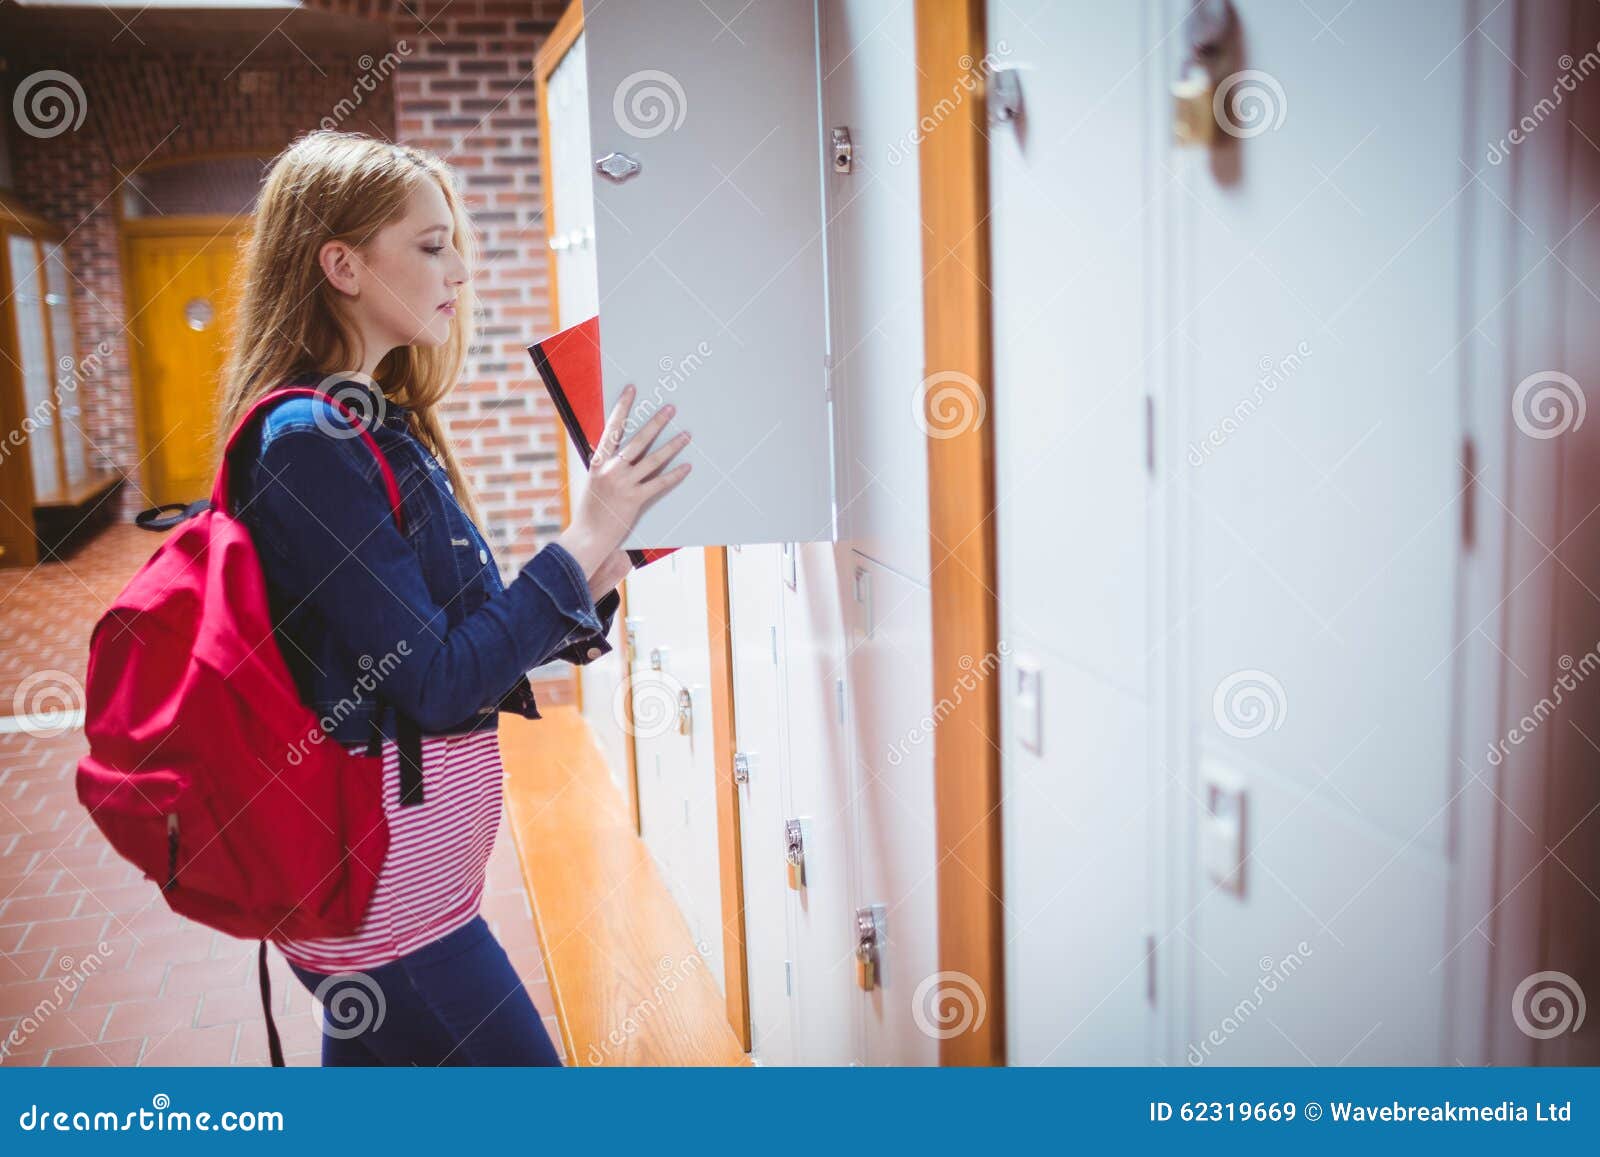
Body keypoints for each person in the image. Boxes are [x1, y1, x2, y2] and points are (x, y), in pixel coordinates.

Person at [211, 130, 692, 1065]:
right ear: (341, 264)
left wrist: (608, 558)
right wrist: (583, 533)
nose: (459, 268)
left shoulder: (373, 424)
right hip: (389, 912)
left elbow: (460, 640)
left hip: (405, 895)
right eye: (430, 246)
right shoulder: (312, 443)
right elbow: (434, 682)